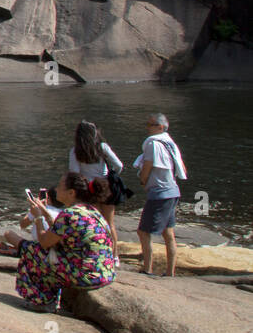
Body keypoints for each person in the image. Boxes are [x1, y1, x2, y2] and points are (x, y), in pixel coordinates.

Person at [2, 172, 117, 312]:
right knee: (44, 252)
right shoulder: (92, 211)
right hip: (106, 273)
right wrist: (45, 213)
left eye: (60, 186)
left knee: (31, 250)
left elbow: (44, 242)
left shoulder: (69, 214)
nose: (56, 189)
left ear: (71, 193)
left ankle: (42, 301)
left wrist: (38, 218)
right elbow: (60, 235)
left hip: (86, 276)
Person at [134, 113, 187, 276]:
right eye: (147, 124)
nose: (147, 127)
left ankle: (147, 269)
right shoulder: (170, 143)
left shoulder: (153, 144)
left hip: (160, 193)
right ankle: (170, 272)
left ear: (160, 127)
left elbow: (148, 165)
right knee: (168, 233)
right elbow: (182, 167)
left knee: (143, 232)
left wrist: (143, 181)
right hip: (172, 191)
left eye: (151, 124)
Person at [68, 120, 127, 258]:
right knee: (109, 223)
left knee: (94, 223)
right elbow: (119, 165)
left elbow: (74, 172)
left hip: (89, 189)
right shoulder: (102, 147)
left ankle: (97, 254)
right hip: (105, 187)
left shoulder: (75, 151)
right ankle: (115, 256)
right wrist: (109, 177)